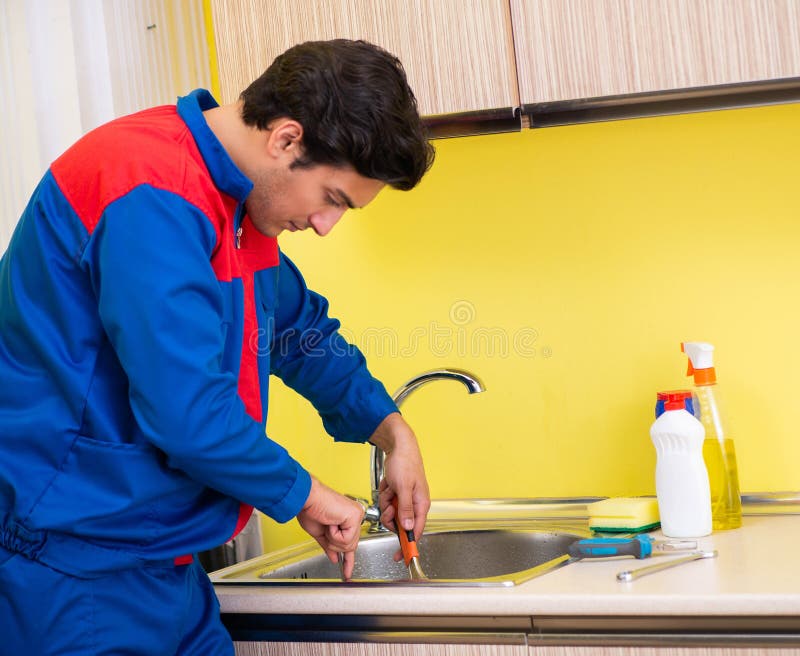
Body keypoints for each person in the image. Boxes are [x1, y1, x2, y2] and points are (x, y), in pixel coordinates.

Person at [0, 39, 435, 654]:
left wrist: (393, 432)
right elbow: (187, 413)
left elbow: (300, 334)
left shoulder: (233, 204)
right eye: (332, 199)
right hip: (72, 571)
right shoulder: (148, 189)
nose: (324, 225)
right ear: (286, 139)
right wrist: (306, 494)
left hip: (164, 566)